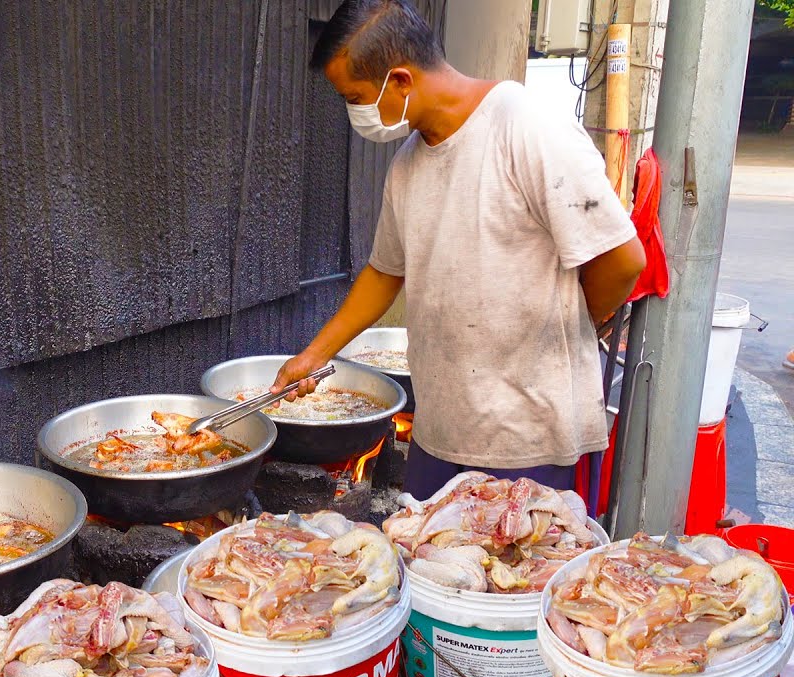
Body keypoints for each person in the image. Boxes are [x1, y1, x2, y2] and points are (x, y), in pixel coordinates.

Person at [271, 0, 647, 500]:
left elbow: (622, 261)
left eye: (355, 97)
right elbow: (385, 273)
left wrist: (567, 328)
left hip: (527, 438)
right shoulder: (408, 163)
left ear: (400, 81)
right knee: (428, 569)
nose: (354, 112)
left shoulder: (525, 125)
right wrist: (312, 356)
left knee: (515, 575)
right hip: (442, 429)